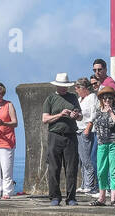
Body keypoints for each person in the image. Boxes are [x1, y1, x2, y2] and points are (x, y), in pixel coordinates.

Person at [41, 72, 81, 206]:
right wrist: (60, 115)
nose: (63, 88)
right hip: (55, 136)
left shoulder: (73, 97)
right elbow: (45, 119)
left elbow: (80, 116)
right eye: (61, 86)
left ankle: (71, 198)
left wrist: (75, 115)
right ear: (57, 86)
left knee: (71, 168)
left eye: (65, 86)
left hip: (70, 136)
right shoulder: (50, 99)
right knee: (54, 168)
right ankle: (54, 197)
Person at [92, 87, 115, 206]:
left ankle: (113, 198)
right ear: (102, 99)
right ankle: (101, 198)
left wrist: (111, 112)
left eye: (110, 98)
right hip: (102, 144)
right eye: (105, 98)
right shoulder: (98, 111)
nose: (107, 100)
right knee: (101, 171)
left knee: (114, 171)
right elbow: (95, 126)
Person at [74, 77, 100, 199]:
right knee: (81, 159)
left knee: (87, 158)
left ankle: (89, 184)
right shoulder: (80, 99)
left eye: (78, 87)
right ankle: (84, 184)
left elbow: (94, 113)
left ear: (84, 88)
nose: (76, 89)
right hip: (78, 129)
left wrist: (88, 128)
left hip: (86, 130)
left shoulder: (92, 98)